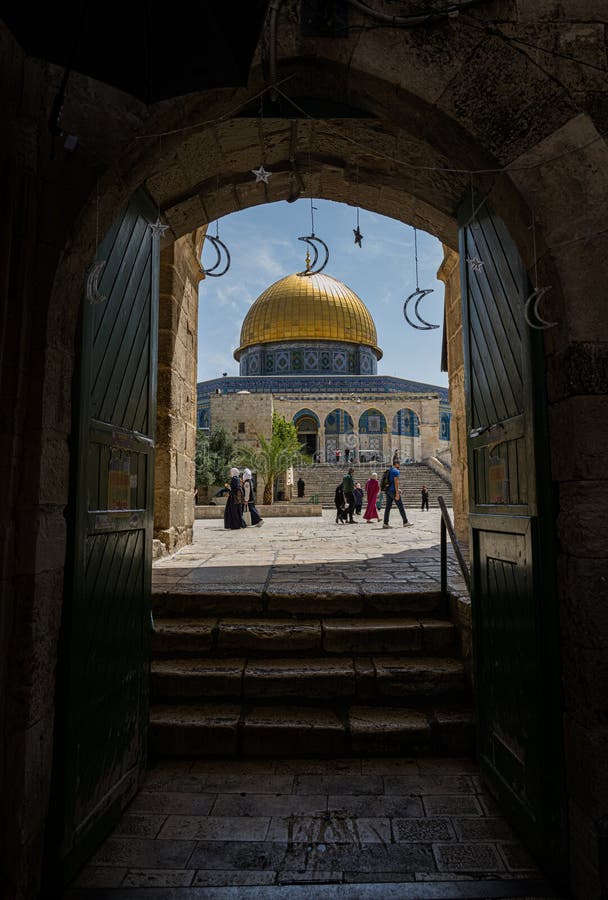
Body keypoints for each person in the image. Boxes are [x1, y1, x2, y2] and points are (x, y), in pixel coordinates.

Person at [383, 460, 413, 529]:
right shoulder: (396, 471)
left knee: (388, 507)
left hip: (388, 491)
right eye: (399, 464)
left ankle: (385, 523)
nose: (399, 465)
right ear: (396, 464)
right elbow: (396, 482)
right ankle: (405, 522)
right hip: (393, 491)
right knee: (400, 506)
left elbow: (391, 482)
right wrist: (397, 493)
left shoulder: (389, 470)